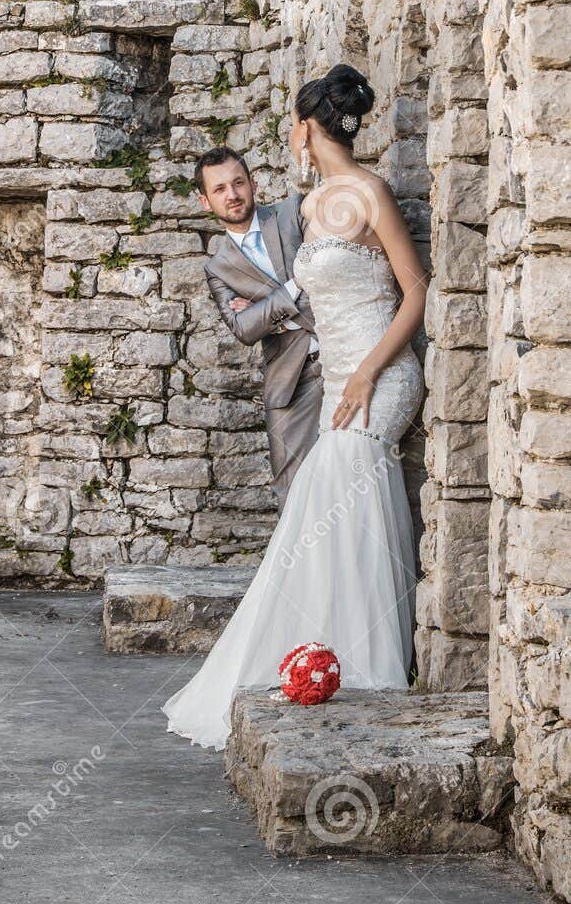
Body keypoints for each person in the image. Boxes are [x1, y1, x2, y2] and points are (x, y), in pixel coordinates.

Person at [164, 65, 428, 751]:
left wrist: (368, 373)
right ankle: (322, 650)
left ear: (306, 128)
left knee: (344, 482)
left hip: (379, 374)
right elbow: (266, 312)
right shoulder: (310, 208)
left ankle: (368, 661)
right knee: (321, 498)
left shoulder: (370, 193)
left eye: (292, 124)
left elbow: (415, 291)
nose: (290, 134)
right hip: (334, 375)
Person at [196, 148, 322, 507]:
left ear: (253, 183)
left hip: (346, 356)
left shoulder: (293, 212)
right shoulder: (218, 268)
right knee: (293, 492)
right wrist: (297, 285)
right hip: (290, 382)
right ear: (205, 201)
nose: (232, 195)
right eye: (219, 189)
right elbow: (244, 329)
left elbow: (328, 280)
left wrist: (267, 311)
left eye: (238, 183)